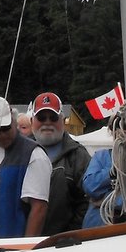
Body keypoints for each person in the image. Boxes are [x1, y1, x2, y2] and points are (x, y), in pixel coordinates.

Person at [0, 96, 50, 238]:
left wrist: (26, 248)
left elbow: (39, 208)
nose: (1, 135)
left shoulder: (33, 154)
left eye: (5, 128)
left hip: (9, 245)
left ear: (13, 119)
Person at [29, 92, 92, 236]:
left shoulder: (79, 155)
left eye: (53, 117)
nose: (47, 122)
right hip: (24, 240)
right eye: (41, 117)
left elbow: (88, 201)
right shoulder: (21, 152)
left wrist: (69, 234)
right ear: (32, 121)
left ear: (63, 120)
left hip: (66, 242)